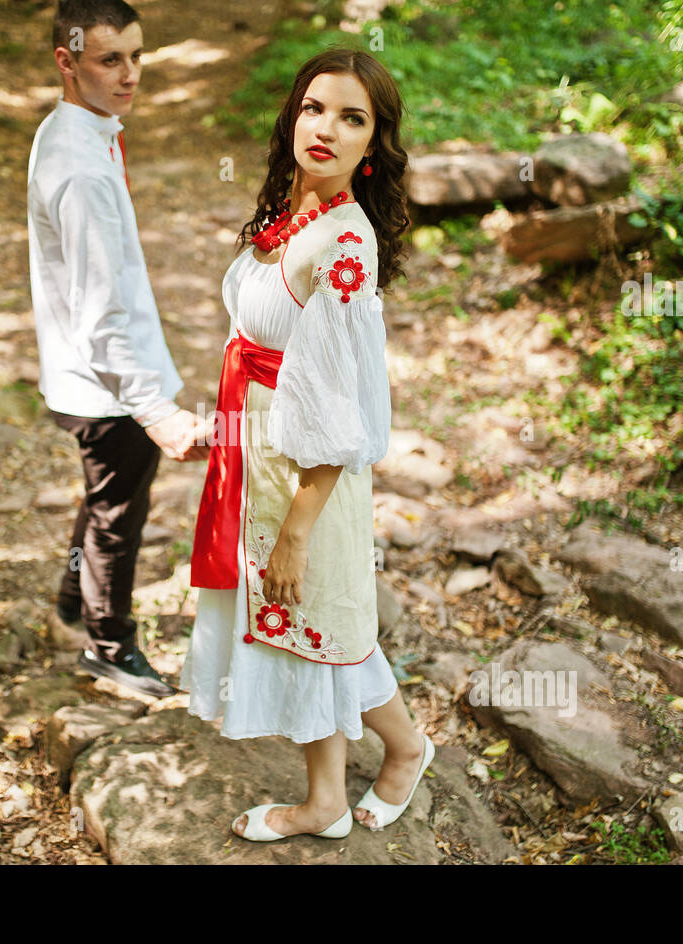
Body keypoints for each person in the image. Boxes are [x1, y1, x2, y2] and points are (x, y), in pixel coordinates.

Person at [181, 48, 433, 839]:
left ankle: (406, 744)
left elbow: (337, 402)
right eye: (316, 107)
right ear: (293, 113)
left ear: (373, 145)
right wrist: (216, 426)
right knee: (301, 631)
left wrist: (296, 528)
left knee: (328, 623)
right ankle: (325, 800)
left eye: (352, 118)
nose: (326, 128)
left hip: (307, 472)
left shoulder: (345, 248)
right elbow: (253, 338)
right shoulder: (290, 209)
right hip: (258, 448)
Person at [27, 0, 209, 699]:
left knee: (109, 493)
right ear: (66, 63)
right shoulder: (80, 167)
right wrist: (154, 409)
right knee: (118, 514)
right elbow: (99, 314)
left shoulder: (80, 129)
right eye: (110, 60)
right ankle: (109, 645)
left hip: (97, 371)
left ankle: (74, 600)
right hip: (104, 382)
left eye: (137, 55)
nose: (130, 74)